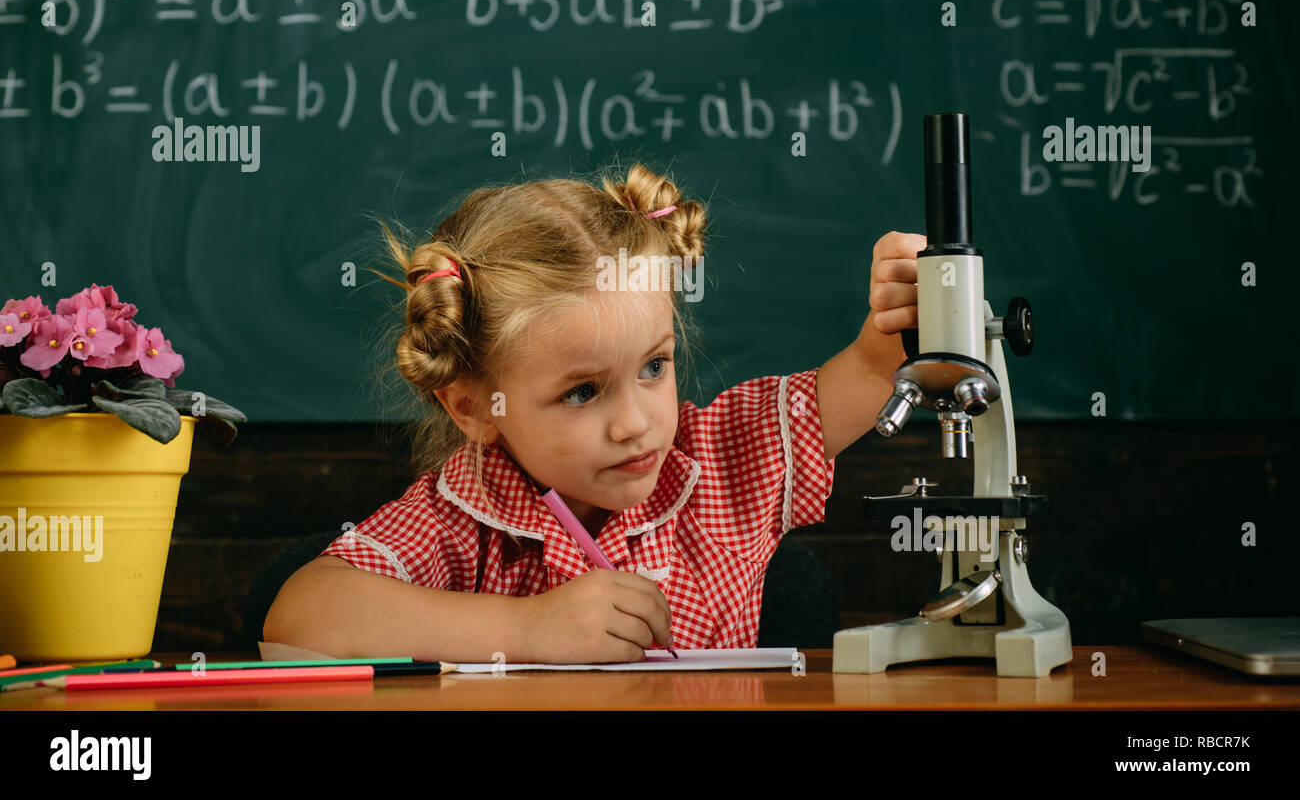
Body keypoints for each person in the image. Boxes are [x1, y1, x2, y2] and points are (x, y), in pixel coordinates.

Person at [263, 161, 924, 663]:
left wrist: (896, 322)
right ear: (473, 408)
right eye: (582, 392)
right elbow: (297, 616)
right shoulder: (461, 514)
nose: (634, 421)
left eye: (654, 367)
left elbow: (871, 370)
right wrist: (528, 628)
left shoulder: (725, 458)